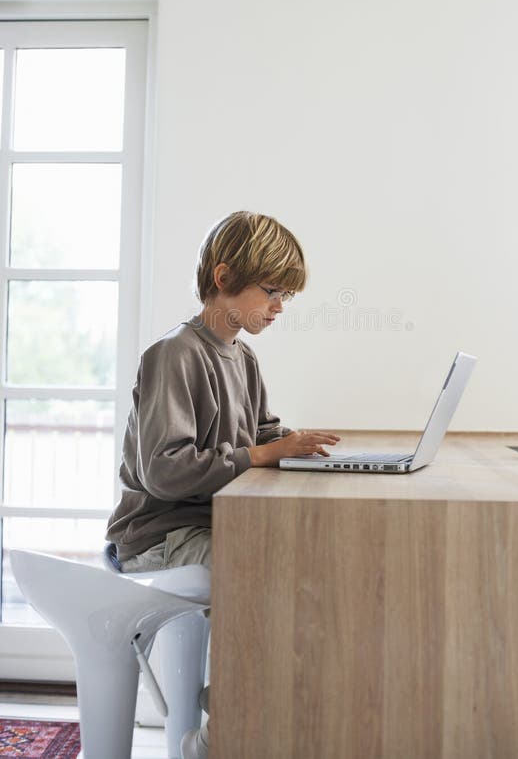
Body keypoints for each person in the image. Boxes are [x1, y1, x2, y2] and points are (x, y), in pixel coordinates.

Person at [106, 210, 340, 759]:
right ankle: (219, 735)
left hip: (206, 524)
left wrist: (299, 445)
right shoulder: (174, 355)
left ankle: (253, 710)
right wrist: (264, 452)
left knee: (302, 570)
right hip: (159, 534)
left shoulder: (244, 357)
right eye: (272, 292)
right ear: (224, 277)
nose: (280, 307)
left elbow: (258, 431)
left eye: (287, 295)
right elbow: (164, 469)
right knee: (264, 581)